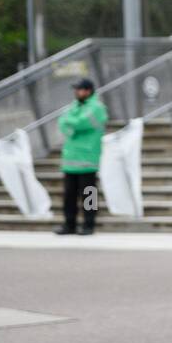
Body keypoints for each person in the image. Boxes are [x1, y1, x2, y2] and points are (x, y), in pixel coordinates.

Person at [55, 78, 108, 236]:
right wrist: (70, 123)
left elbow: (80, 123)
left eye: (79, 89)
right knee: (69, 196)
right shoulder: (75, 106)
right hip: (70, 160)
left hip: (88, 160)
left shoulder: (97, 108)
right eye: (76, 89)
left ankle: (88, 225)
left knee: (89, 195)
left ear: (88, 90)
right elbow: (61, 122)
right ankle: (69, 225)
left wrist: (70, 123)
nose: (76, 92)